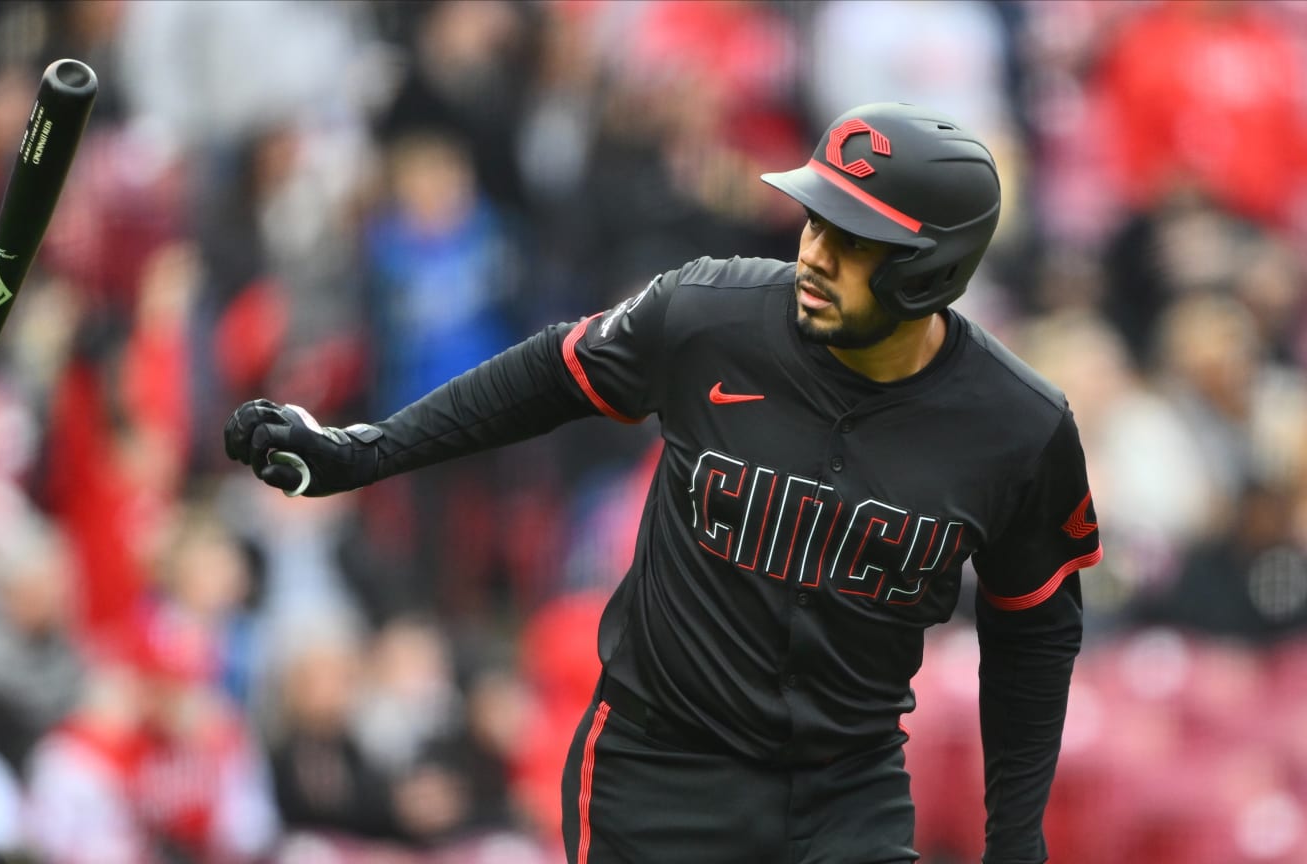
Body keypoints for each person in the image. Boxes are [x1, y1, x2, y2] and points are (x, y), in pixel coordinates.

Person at [224, 102, 1102, 864]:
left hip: (848, 792)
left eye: (853, 242)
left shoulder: (1019, 428)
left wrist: (1015, 842)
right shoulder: (710, 312)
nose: (815, 254)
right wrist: (364, 451)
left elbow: (1033, 637)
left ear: (930, 269)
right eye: (816, 222)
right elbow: (551, 374)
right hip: (657, 774)